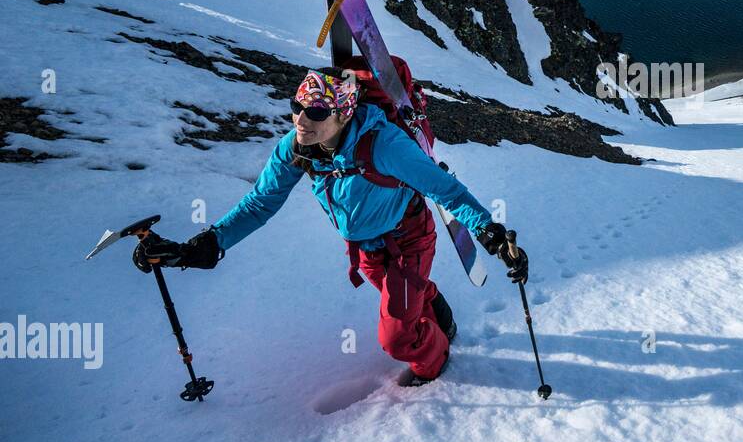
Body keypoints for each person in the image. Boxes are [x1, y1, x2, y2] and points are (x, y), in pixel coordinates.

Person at [133, 70, 528, 386]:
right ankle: (435, 307)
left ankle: (436, 363)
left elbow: (446, 190)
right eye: (297, 106)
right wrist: (206, 244)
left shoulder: (385, 145)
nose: (301, 120)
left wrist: (492, 235)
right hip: (365, 250)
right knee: (406, 300)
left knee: (397, 338)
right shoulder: (296, 146)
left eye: (316, 112)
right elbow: (260, 203)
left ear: (343, 114)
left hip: (409, 239)